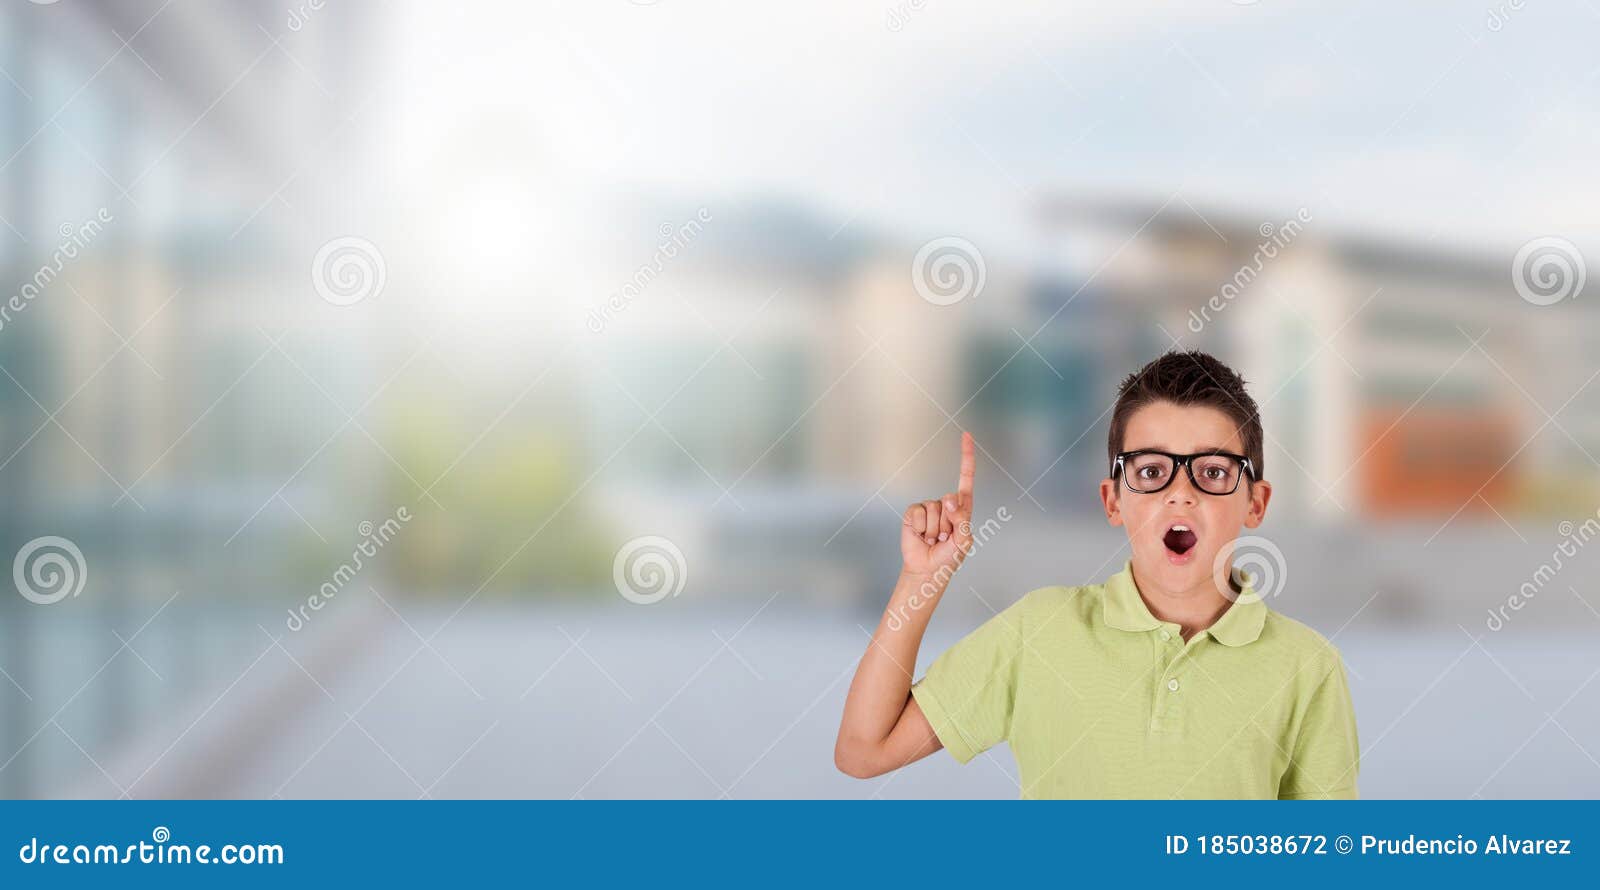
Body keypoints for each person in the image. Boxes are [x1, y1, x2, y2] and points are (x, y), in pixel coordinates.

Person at [833, 350, 1359, 799]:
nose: (1181, 493)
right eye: (1151, 471)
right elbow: (863, 750)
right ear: (1113, 500)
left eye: (1214, 472)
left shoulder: (1308, 667)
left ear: (1256, 502)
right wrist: (922, 579)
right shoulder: (1039, 630)